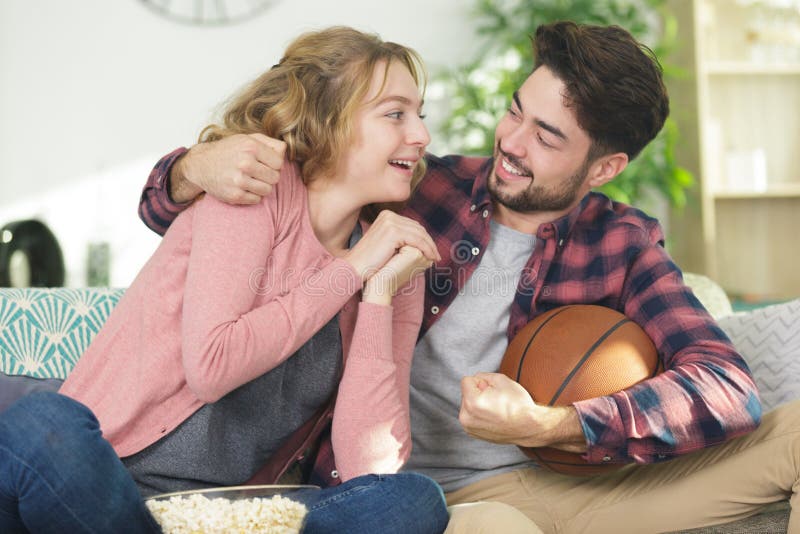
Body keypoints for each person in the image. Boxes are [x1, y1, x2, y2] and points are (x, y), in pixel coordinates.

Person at [137, 21, 800, 534]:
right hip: (427, 493)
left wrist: (554, 424)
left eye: (546, 137)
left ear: (603, 168)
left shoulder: (620, 241)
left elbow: (728, 389)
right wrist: (191, 168)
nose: (510, 141)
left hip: (570, 477)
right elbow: (188, 216)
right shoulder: (417, 188)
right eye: (516, 111)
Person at [0, 26, 452, 534]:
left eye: (420, 115)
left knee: (412, 501)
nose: (421, 136)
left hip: (222, 520)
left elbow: (368, 468)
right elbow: (212, 366)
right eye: (395, 114)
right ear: (328, 120)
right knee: (40, 423)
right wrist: (348, 271)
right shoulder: (251, 187)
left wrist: (377, 294)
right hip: (102, 489)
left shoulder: (395, 264)